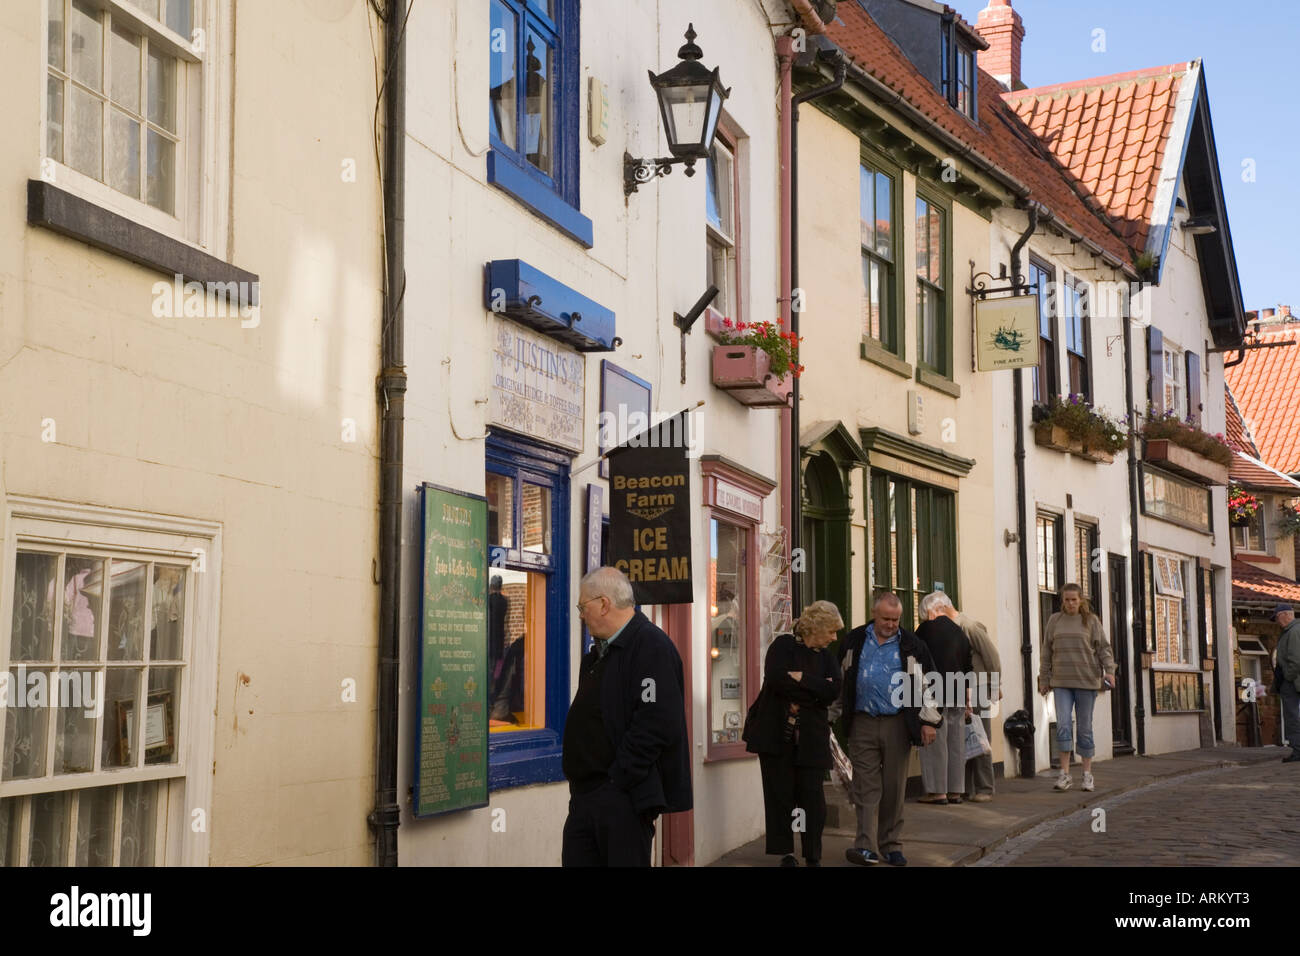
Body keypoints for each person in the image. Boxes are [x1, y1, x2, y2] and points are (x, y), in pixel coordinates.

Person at [561, 567, 692, 866]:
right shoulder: (597, 656)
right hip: (585, 798)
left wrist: (618, 779)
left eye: (583, 607)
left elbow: (657, 722)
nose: (581, 615)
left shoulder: (650, 646)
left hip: (622, 799)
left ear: (604, 604)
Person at [839, 592, 941, 867]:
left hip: (898, 722)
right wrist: (832, 714)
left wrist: (929, 722)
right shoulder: (855, 640)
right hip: (863, 721)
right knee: (865, 786)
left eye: (896, 619)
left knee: (894, 787)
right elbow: (841, 677)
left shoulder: (912, 644)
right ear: (874, 614)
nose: (891, 624)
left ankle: (891, 845)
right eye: (886, 618)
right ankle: (865, 846)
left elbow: (930, 683)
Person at [742, 600, 844, 867]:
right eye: (831, 631)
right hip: (777, 736)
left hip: (811, 738)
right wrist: (817, 689)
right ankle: (786, 853)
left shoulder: (827, 657)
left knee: (814, 800)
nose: (834, 637)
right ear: (817, 627)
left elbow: (834, 690)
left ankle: (813, 854)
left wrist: (803, 680)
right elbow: (777, 679)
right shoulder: (783, 647)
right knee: (780, 796)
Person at [1039, 582, 1115, 792]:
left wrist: (1109, 671)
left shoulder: (1091, 621)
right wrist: (1043, 679)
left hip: (1086, 682)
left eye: (1074, 599)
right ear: (1062, 601)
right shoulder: (1055, 621)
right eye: (1066, 600)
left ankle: (1087, 774)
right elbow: (1046, 652)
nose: (1070, 603)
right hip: (1061, 682)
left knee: (1084, 728)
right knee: (1063, 725)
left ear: (1081, 600)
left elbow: (1104, 649)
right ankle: (1064, 774)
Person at [916, 592, 974, 805]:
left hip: (933, 692)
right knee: (956, 744)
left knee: (935, 743)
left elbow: (916, 662)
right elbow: (968, 667)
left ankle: (937, 792)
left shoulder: (924, 630)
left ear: (930, 611)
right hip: (957, 691)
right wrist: (968, 700)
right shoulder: (959, 632)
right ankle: (956, 791)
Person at [957, 606, 1001, 802]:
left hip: (979, 686)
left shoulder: (970, 627)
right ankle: (964, 787)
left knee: (980, 737)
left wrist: (994, 685)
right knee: (964, 737)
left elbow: (992, 657)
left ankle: (985, 787)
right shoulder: (954, 628)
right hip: (959, 686)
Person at [1272, 603, 1300, 763]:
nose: (1277, 621)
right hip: (1294, 679)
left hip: (1293, 681)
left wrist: (1288, 678)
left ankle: (1298, 750)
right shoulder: (1292, 631)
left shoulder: (1293, 632)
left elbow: (1295, 660)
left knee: (1292, 716)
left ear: (1285, 615)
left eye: (1277, 617)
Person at [488, 575, 508, 681]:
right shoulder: (504, 601)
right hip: (499, 639)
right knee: (495, 669)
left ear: (491, 585)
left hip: (489, 639)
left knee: (489, 669)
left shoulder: (489, 600)